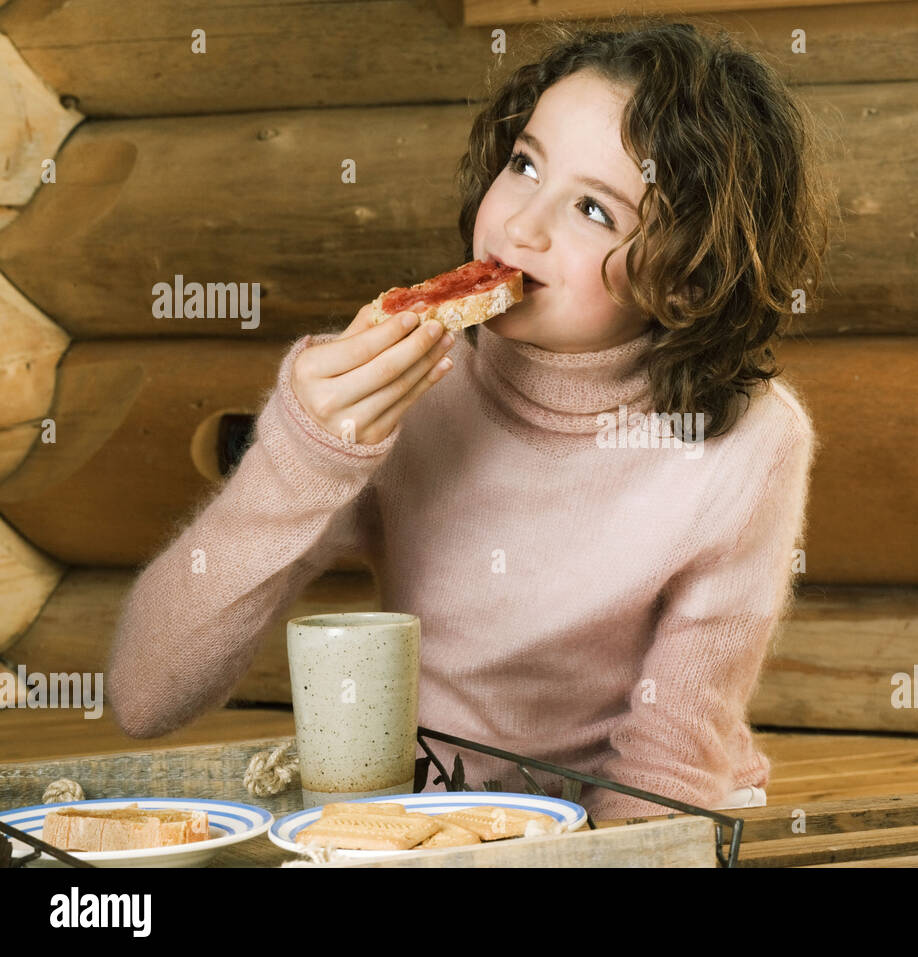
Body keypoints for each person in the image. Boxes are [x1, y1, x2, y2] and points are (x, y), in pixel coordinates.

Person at [106, 18, 837, 821]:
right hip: (429, 816)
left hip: (628, 819)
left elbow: (667, 764)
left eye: (594, 209)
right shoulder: (392, 387)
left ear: (691, 278)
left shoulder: (752, 442)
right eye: (525, 164)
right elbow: (146, 695)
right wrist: (300, 457)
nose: (522, 225)